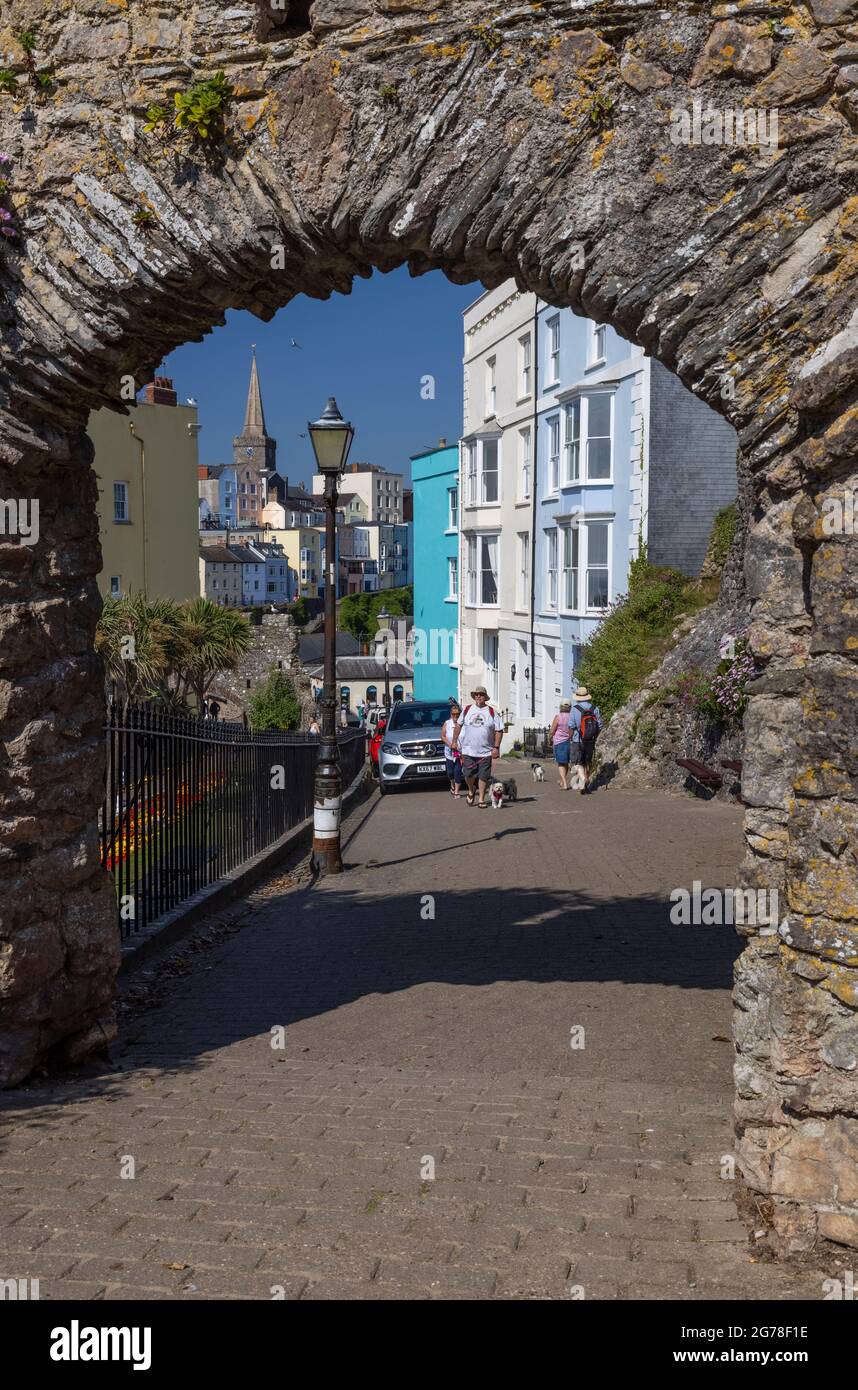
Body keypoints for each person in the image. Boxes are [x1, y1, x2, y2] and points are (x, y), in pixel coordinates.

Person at [453, 686, 503, 808]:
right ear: (474, 696)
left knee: (483, 776)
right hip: (468, 750)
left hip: (486, 751)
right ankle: (471, 790)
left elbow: (499, 730)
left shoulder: (491, 712)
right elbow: (458, 725)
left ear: (485, 697)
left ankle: (481, 798)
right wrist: (454, 741)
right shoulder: (467, 709)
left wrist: (496, 747)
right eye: (476, 694)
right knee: (468, 774)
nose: (478, 696)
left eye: (481, 694)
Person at [571, 684, 602, 793]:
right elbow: (600, 726)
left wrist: (570, 737)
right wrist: (595, 737)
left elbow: (571, 725)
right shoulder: (595, 708)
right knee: (587, 762)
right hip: (590, 740)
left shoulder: (574, 709)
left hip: (577, 740)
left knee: (578, 762)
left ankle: (583, 779)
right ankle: (586, 781)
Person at [549, 698, 573, 789]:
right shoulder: (571, 716)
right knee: (566, 762)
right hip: (569, 741)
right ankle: (563, 781)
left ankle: (564, 783)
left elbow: (552, 730)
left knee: (560, 763)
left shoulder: (558, 716)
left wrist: (550, 739)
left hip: (559, 742)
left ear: (561, 706)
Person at [442, 701, 464, 799]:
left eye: (457, 714)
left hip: (460, 753)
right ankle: (452, 783)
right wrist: (450, 744)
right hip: (449, 752)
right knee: (450, 772)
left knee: (458, 771)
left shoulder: (464, 724)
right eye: (453, 714)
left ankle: (456, 791)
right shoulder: (447, 723)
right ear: (451, 714)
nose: (455, 716)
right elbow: (442, 736)